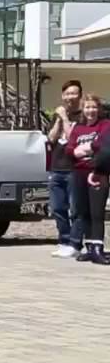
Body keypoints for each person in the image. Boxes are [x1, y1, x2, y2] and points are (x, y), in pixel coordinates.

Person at [67, 94, 110, 264]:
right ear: (83, 110)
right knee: (82, 212)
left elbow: (101, 144)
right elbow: (70, 150)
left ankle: (98, 248)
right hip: (79, 173)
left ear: (98, 109)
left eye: (93, 107)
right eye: (87, 107)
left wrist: (87, 147)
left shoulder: (105, 125)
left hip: (97, 173)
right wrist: (81, 150)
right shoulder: (77, 128)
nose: (90, 111)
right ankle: (90, 247)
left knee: (97, 212)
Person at [48, 80, 84, 259]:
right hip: (57, 167)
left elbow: (73, 139)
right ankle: (63, 241)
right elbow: (52, 138)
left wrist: (64, 118)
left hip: (74, 169)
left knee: (75, 208)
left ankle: (75, 243)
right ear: (63, 96)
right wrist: (58, 120)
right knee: (57, 208)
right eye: (67, 94)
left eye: (73, 93)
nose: (70, 97)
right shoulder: (58, 115)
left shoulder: (83, 117)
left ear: (80, 96)